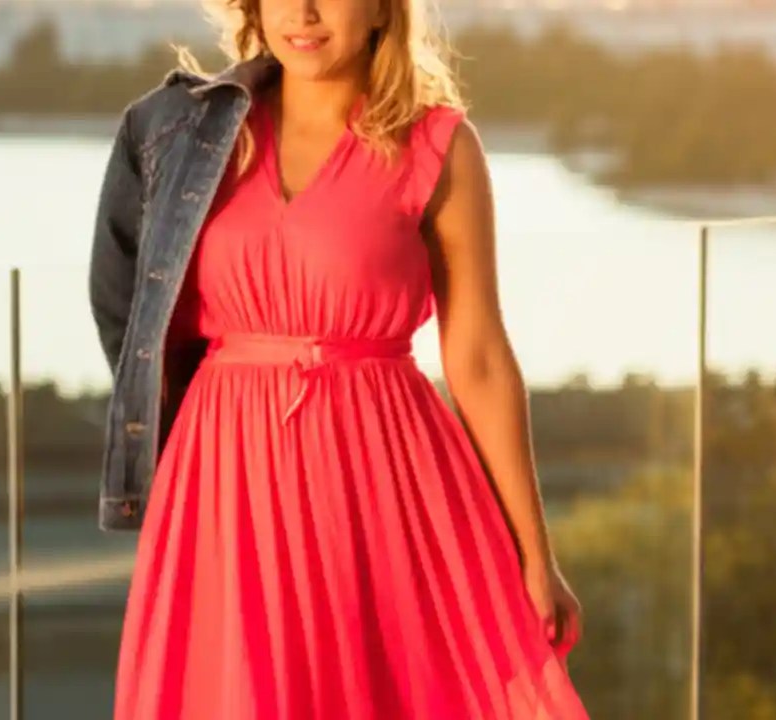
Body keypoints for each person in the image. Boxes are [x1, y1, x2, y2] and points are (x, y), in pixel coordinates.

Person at [93, 0, 591, 716]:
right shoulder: (185, 137)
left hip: (380, 478)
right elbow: (125, 311)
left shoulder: (437, 145)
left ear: (383, 8)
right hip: (222, 476)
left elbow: (478, 357)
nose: (304, 12)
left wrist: (535, 556)